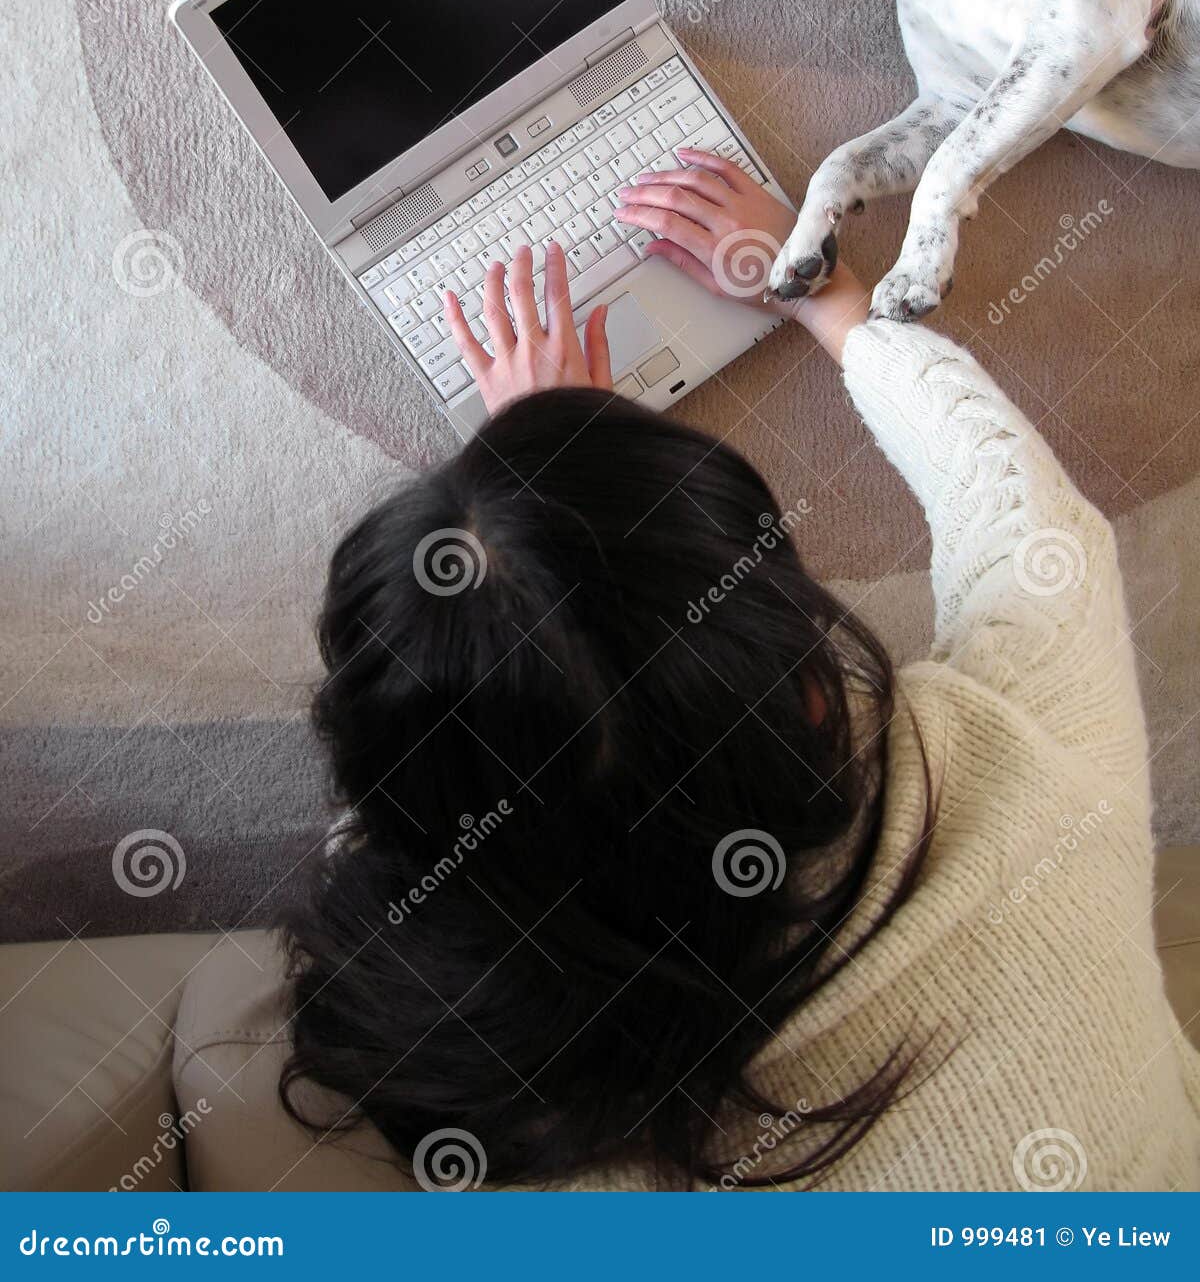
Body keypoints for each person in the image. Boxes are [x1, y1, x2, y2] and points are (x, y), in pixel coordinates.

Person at [279, 149, 1200, 1191]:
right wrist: (824, 290)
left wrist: (527, 571)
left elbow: (405, 803)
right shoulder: (1039, 776)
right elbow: (1030, 522)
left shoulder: (510, 1101)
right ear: (810, 691)